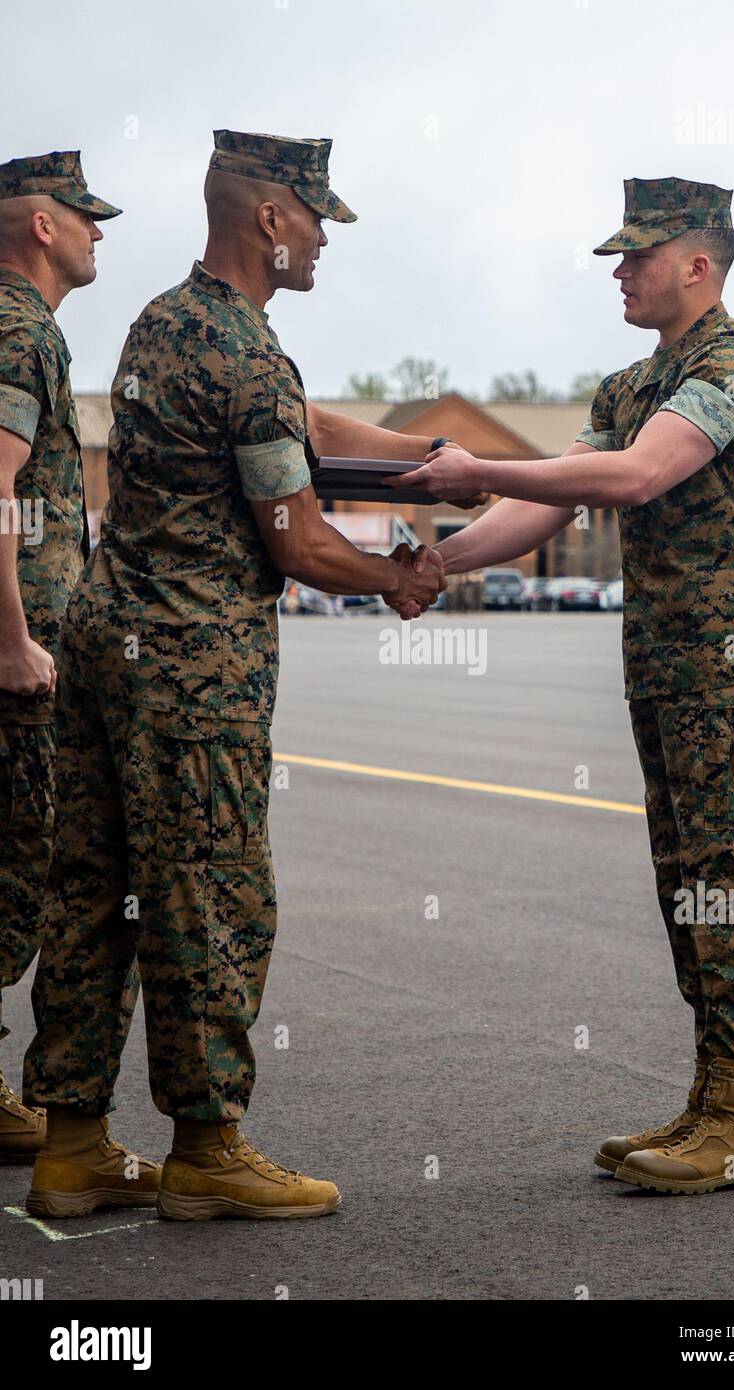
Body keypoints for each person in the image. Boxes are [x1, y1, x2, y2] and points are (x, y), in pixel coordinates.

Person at [22, 130, 454, 1221]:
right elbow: (298, 543)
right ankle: (208, 1147)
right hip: (192, 673)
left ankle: (71, 1144)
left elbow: (301, 432)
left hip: (102, 647)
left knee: (91, 895)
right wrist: (394, 578)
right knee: (209, 899)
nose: (320, 242)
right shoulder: (250, 356)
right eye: (313, 219)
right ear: (270, 219)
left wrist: (429, 461)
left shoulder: (161, 324)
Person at [392, 177, 734, 1195]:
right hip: (666, 659)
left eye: (635, 255)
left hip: (729, 657)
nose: (617, 271)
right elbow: (550, 507)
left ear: (698, 265)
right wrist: (433, 565)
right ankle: (714, 1098)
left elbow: (630, 479)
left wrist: (481, 468)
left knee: (724, 875)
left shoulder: (732, 362)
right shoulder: (632, 384)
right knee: (684, 876)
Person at [0, 151, 123, 1164]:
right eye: (87, 217)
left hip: (28, 640)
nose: (99, 233)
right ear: (42, 224)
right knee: (18, 867)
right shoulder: (17, 328)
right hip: (18, 660)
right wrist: (13, 640)